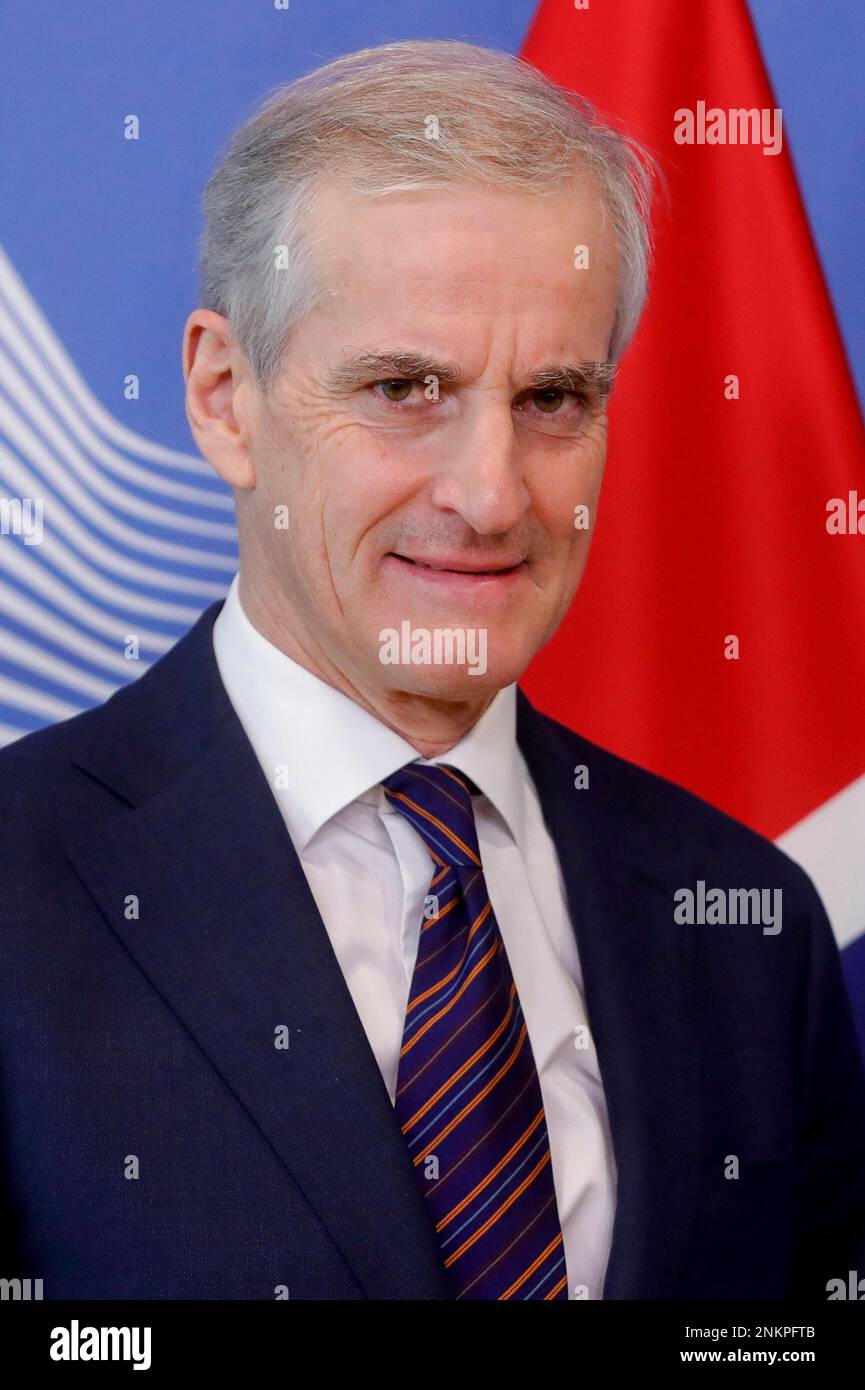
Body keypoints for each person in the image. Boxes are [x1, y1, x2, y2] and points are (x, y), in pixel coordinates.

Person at [1, 39, 864, 1301]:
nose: (491, 492)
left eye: (554, 398)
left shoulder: (745, 916)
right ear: (224, 397)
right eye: (407, 387)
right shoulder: (20, 886)